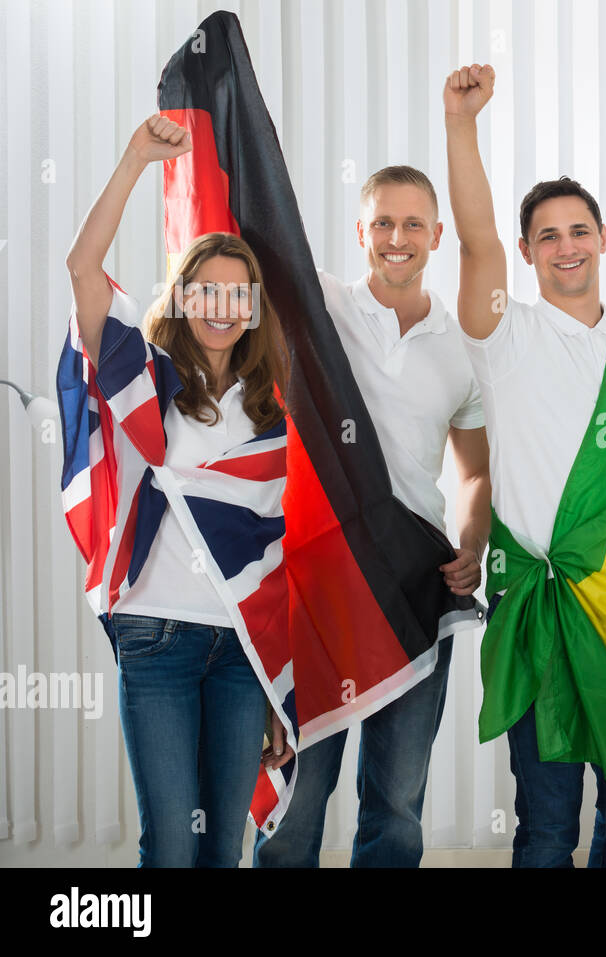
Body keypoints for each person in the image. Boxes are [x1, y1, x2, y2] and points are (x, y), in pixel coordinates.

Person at [444, 63, 606, 868]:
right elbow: (475, 236)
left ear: (603, 238)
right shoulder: (503, 337)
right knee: (547, 827)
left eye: (577, 230)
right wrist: (461, 126)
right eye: (546, 235)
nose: (564, 246)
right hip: (543, 617)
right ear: (526, 251)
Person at [60, 114, 293, 867]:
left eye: (239, 295)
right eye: (207, 292)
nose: (223, 308)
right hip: (156, 633)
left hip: (240, 648)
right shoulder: (147, 378)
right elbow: (83, 269)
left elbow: (280, 552)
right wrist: (133, 160)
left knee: (222, 844)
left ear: (253, 307)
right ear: (184, 296)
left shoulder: (274, 410)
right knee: (170, 843)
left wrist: (280, 685)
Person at [252, 164, 491, 868]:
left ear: (437, 235)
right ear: (361, 232)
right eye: (382, 222)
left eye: (413, 223)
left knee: (395, 807)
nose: (397, 237)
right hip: (320, 586)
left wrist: (474, 541)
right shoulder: (316, 304)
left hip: (416, 590)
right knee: (297, 804)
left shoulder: (464, 346)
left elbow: (474, 471)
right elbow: (249, 232)